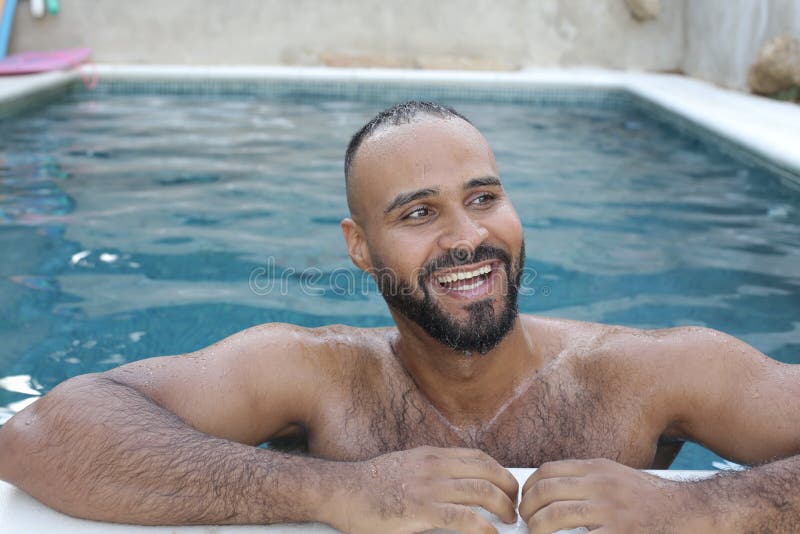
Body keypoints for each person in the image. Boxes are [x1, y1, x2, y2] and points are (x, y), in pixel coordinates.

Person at [0, 101, 798, 534]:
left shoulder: (653, 371)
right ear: (359, 245)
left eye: (484, 198)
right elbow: (38, 433)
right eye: (419, 213)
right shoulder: (313, 374)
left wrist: (707, 505)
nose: (469, 238)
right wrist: (326, 492)